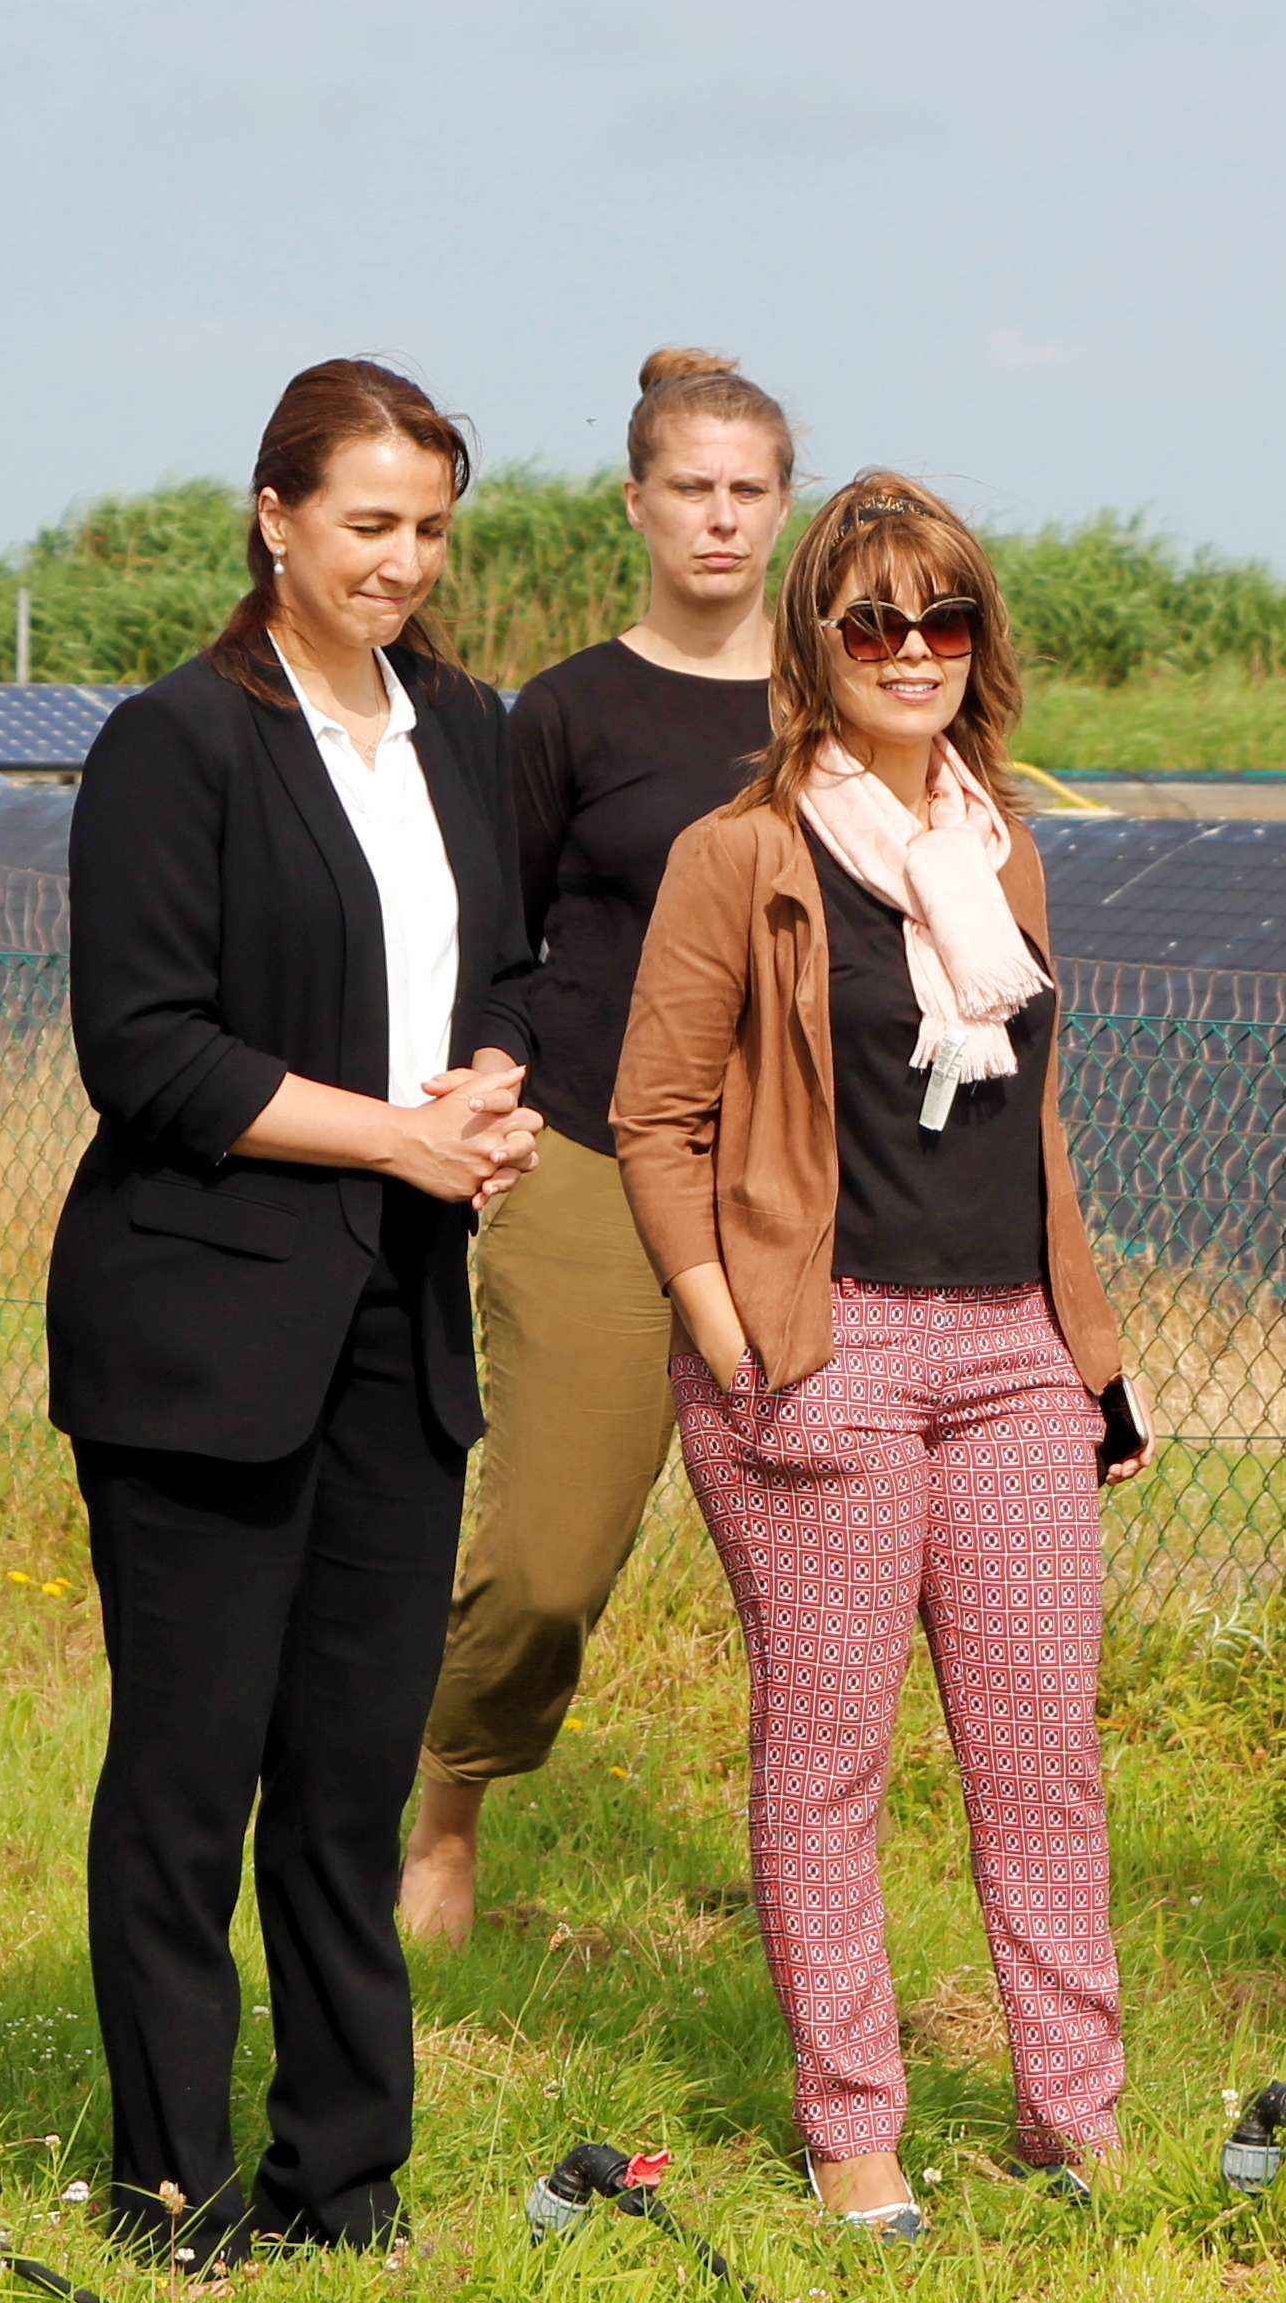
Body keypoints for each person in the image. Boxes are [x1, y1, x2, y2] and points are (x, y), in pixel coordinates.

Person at [615, 469, 1151, 2237]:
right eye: (875, 622)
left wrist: (1097, 1354)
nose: (914, 649)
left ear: (980, 644)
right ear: (818, 644)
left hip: (1009, 1349)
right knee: (829, 1760)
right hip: (819, 1350)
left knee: (1039, 1756)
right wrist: (734, 1336)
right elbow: (657, 1121)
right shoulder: (743, 856)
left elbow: (1037, 1131)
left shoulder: (1004, 848)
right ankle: (855, 2124)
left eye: (947, 618)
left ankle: (1076, 2118)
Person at [47, 358, 544, 2261]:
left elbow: (511, 965)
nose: (403, 561)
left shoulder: (469, 732)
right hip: (201, 1332)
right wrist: (396, 1147)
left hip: (398, 1331)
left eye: (429, 528)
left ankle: (349, 2180)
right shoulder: (177, 742)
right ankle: (173, 2187)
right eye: (367, 525)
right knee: (190, 1782)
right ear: (273, 518)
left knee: (345, 1781)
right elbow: (148, 1054)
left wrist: (490, 1088)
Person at [398, 346, 795, 1948]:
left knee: (821, 1585)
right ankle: (439, 1797)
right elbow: (499, 940)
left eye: (747, 490)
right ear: (637, 505)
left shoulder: (838, 698)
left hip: (794, 1187)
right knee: (553, 1559)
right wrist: (483, 1087)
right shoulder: (562, 711)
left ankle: (809, 1897)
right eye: (688, 490)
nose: (718, 519)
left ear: (786, 505)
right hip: (586, 1161)